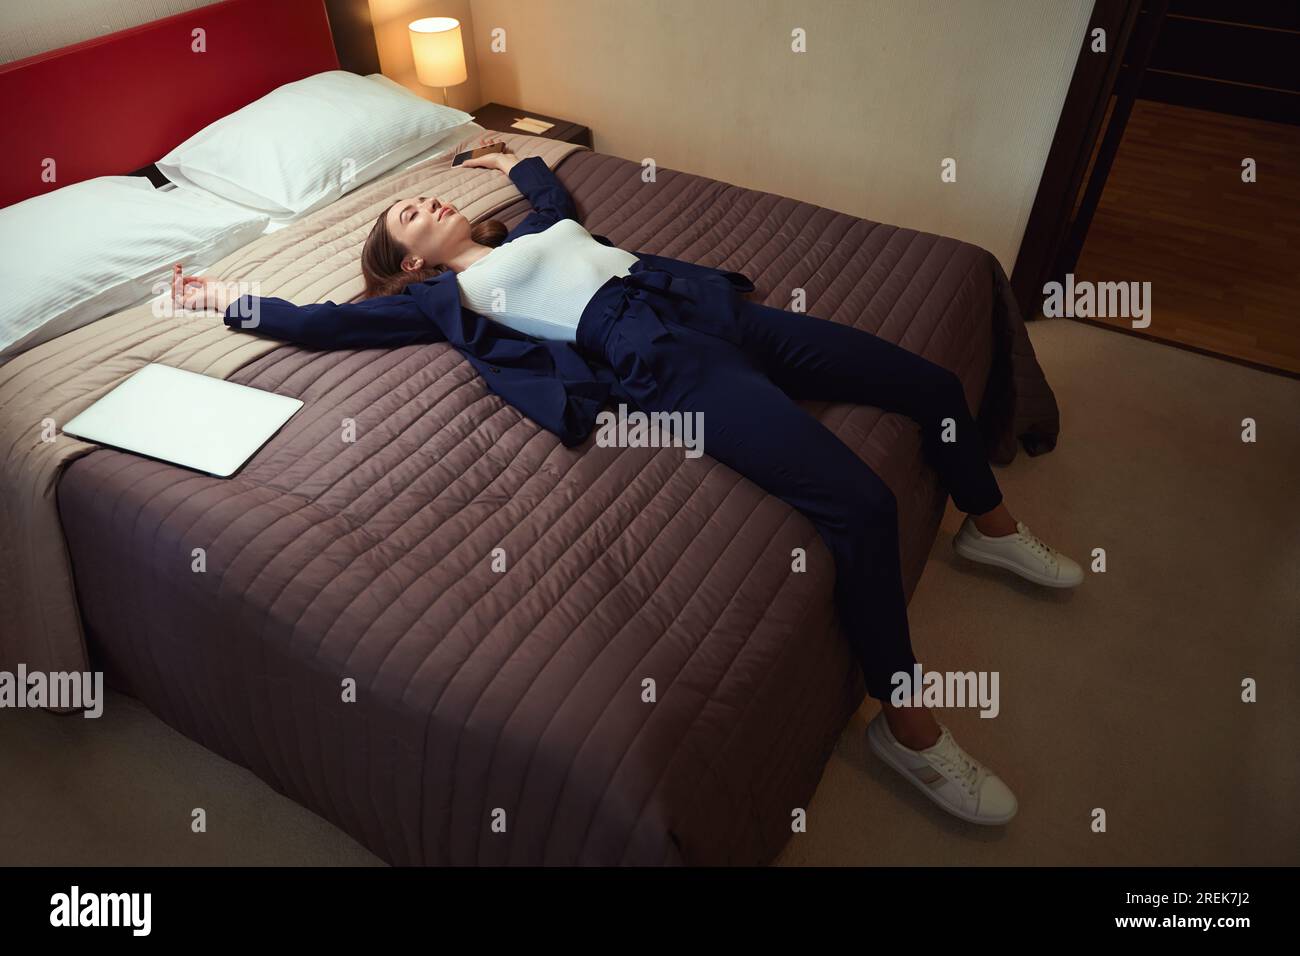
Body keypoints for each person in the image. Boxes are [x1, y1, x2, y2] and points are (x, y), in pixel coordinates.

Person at [176, 133, 1082, 826]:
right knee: (859, 500)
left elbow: (553, 191)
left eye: (423, 195)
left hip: (705, 309)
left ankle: (988, 524)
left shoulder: (530, 225)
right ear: (410, 264)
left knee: (926, 384)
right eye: (408, 217)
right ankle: (907, 725)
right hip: (659, 363)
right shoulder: (441, 296)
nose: (423, 203)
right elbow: (324, 323)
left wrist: (511, 155)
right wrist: (226, 298)